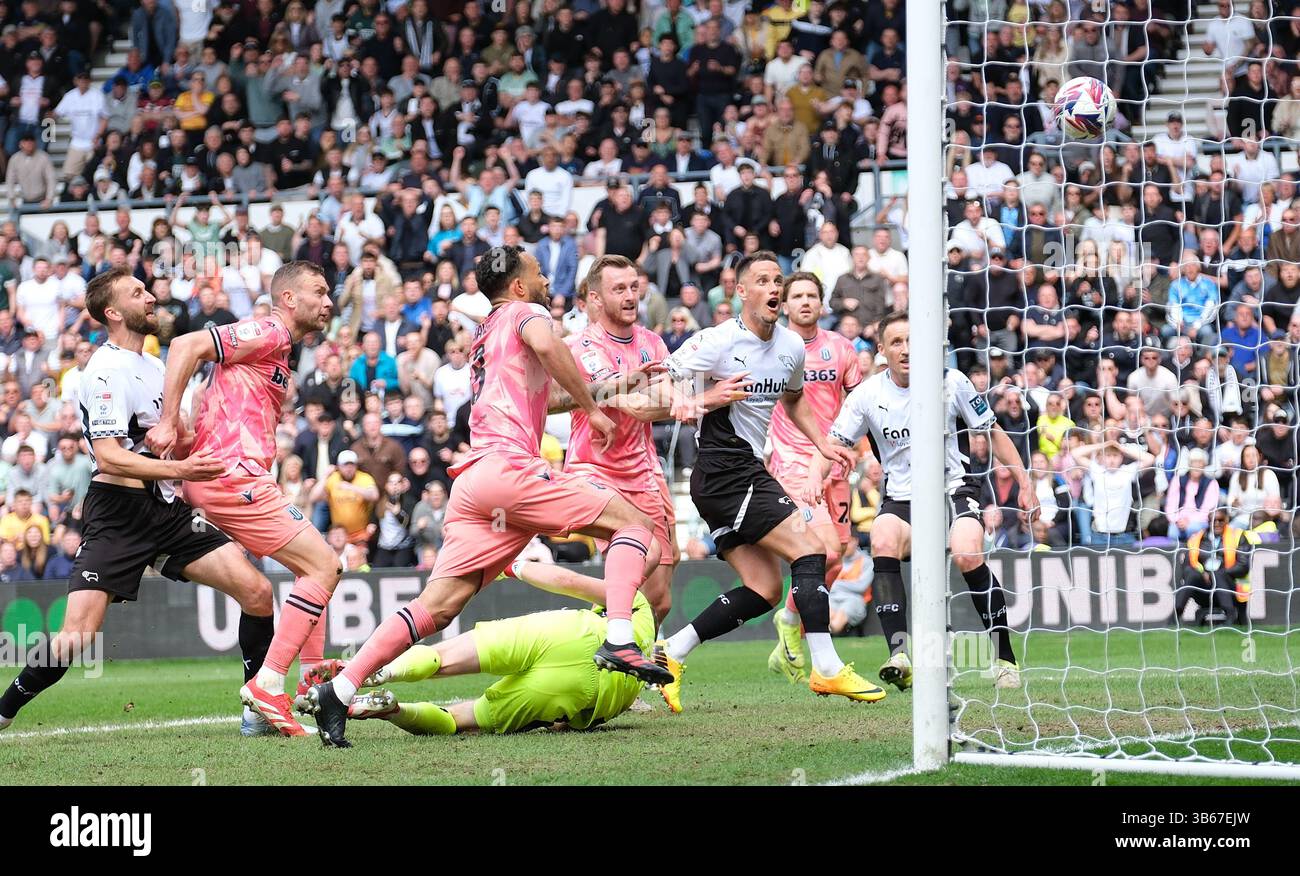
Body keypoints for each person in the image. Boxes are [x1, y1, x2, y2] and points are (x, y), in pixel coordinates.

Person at [302, 246, 674, 748]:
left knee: (437, 605)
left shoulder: (488, 333)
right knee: (635, 525)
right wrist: (597, 406)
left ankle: (340, 690)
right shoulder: (528, 313)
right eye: (538, 273)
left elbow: (552, 396)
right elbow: (551, 349)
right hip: (511, 471)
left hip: (475, 482)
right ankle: (618, 638)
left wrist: (613, 386)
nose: (545, 279)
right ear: (519, 285)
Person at [0, 268, 277, 736]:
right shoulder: (105, 370)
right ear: (113, 313)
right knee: (75, 639)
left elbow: (175, 444)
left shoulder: (155, 366)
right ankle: (3, 712)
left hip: (167, 512)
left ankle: (259, 710)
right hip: (118, 513)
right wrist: (182, 469)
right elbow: (109, 456)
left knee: (258, 593)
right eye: (138, 293)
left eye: (147, 290)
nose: (150, 298)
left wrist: (199, 443)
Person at [656, 251, 884, 711]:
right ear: (741, 291)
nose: (774, 288)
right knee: (811, 550)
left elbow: (795, 399)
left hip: (740, 473)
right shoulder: (717, 341)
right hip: (725, 469)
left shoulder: (790, 348)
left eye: (777, 279)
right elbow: (663, 376)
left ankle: (671, 654)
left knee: (763, 589)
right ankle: (826, 669)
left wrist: (821, 444)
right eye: (763, 280)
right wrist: (693, 400)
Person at [146, 261, 341, 738]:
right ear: (290, 298)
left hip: (224, 477)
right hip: (236, 479)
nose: (329, 302)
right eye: (319, 291)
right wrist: (169, 421)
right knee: (325, 566)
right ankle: (267, 685)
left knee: (302, 574)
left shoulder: (279, 348)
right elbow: (187, 344)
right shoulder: (271, 330)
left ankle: (308, 681)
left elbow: (217, 398)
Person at [815, 311, 1034, 691]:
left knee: (967, 552)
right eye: (896, 342)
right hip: (902, 499)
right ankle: (899, 654)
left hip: (953, 488)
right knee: (882, 536)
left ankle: (1004, 658)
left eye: (912, 340)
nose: (906, 349)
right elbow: (833, 443)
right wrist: (809, 479)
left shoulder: (952, 382)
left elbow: (993, 431)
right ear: (882, 349)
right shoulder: (868, 394)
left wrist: (1025, 482)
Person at [338, 558, 654, 735]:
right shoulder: (626, 697)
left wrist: (512, 567)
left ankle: (379, 672)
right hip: (579, 689)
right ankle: (392, 709)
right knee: (459, 720)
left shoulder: (635, 602)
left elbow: (567, 581)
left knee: (441, 656)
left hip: (568, 632)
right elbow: (566, 724)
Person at [766, 272, 862, 682]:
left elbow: (860, 408)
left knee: (837, 558)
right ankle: (792, 625)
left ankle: (792, 625)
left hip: (835, 461)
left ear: (822, 304)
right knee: (823, 551)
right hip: (791, 462)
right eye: (797, 296)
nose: (805, 301)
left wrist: (867, 453)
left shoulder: (841, 349)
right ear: (784, 305)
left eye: (812, 295)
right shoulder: (771, 347)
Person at [1176, 508, 1258, 626]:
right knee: (1191, 573)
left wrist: (1219, 573)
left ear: (1227, 520)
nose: (1216, 523)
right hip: (1205, 589)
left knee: (1218, 573)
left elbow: (1243, 566)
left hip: (1231, 587)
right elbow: (1187, 566)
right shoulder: (1196, 539)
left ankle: (1230, 614)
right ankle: (1177, 613)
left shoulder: (1238, 536)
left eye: (1220, 520)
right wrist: (1203, 574)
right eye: (1213, 520)